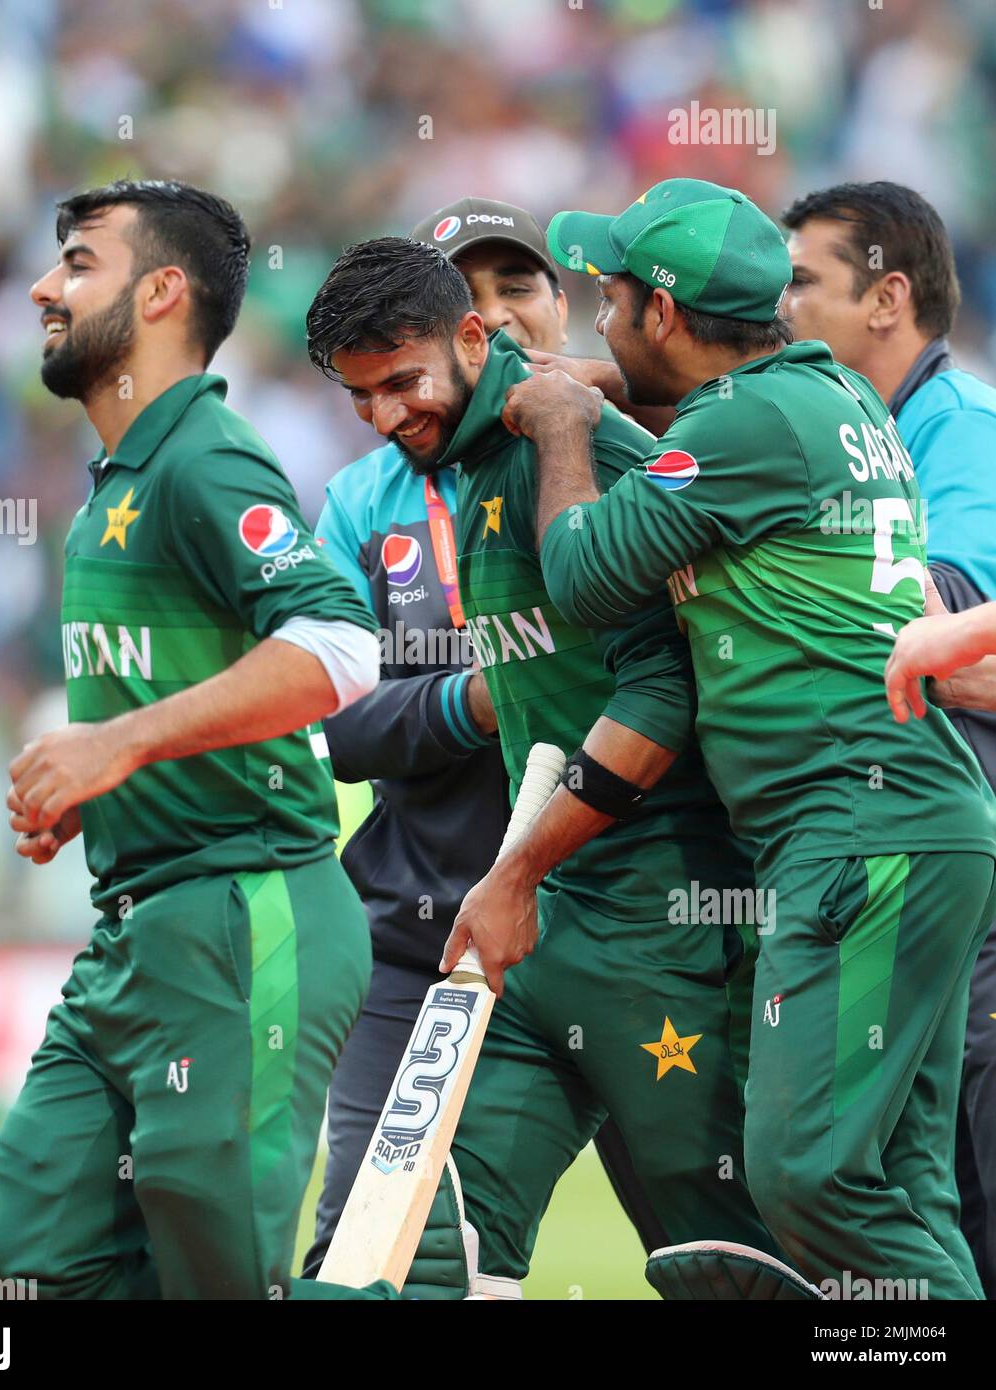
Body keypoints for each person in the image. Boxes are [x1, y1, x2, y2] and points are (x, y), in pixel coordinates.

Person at [502, 176, 996, 1298]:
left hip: (859, 830)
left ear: (664, 313)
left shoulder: (741, 422)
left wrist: (568, 429)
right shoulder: (829, 393)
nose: (600, 323)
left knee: (806, 1172)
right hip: (912, 821)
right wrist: (615, 398)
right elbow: (711, 472)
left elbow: (581, 575)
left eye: (610, 299)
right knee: (899, 1182)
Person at [305, 234, 784, 1298]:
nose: (384, 417)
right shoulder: (471, 460)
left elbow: (662, 692)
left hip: (668, 920)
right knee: (416, 1242)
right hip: (549, 916)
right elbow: (336, 728)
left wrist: (515, 869)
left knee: (733, 1261)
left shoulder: (569, 450)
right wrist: (523, 874)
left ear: (473, 340)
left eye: (402, 382)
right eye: (359, 397)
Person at [0, 179, 393, 1301]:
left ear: (163, 292)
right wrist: (108, 781)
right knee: (35, 1265)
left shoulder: (204, 457)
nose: (42, 288)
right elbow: (189, 692)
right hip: (136, 929)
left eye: (77, 264)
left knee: (221, 1281)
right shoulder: (114, 484)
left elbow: (339, 645)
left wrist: (116, 745)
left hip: (243, 913)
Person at [783, 180, 996, 1296]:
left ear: (887, 296)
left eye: (802, 281)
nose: (779, 307)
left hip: (962, 866)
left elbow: (936, 620)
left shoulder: (956, 428)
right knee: (907, 1185)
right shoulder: (843, 432)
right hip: (892, 862)